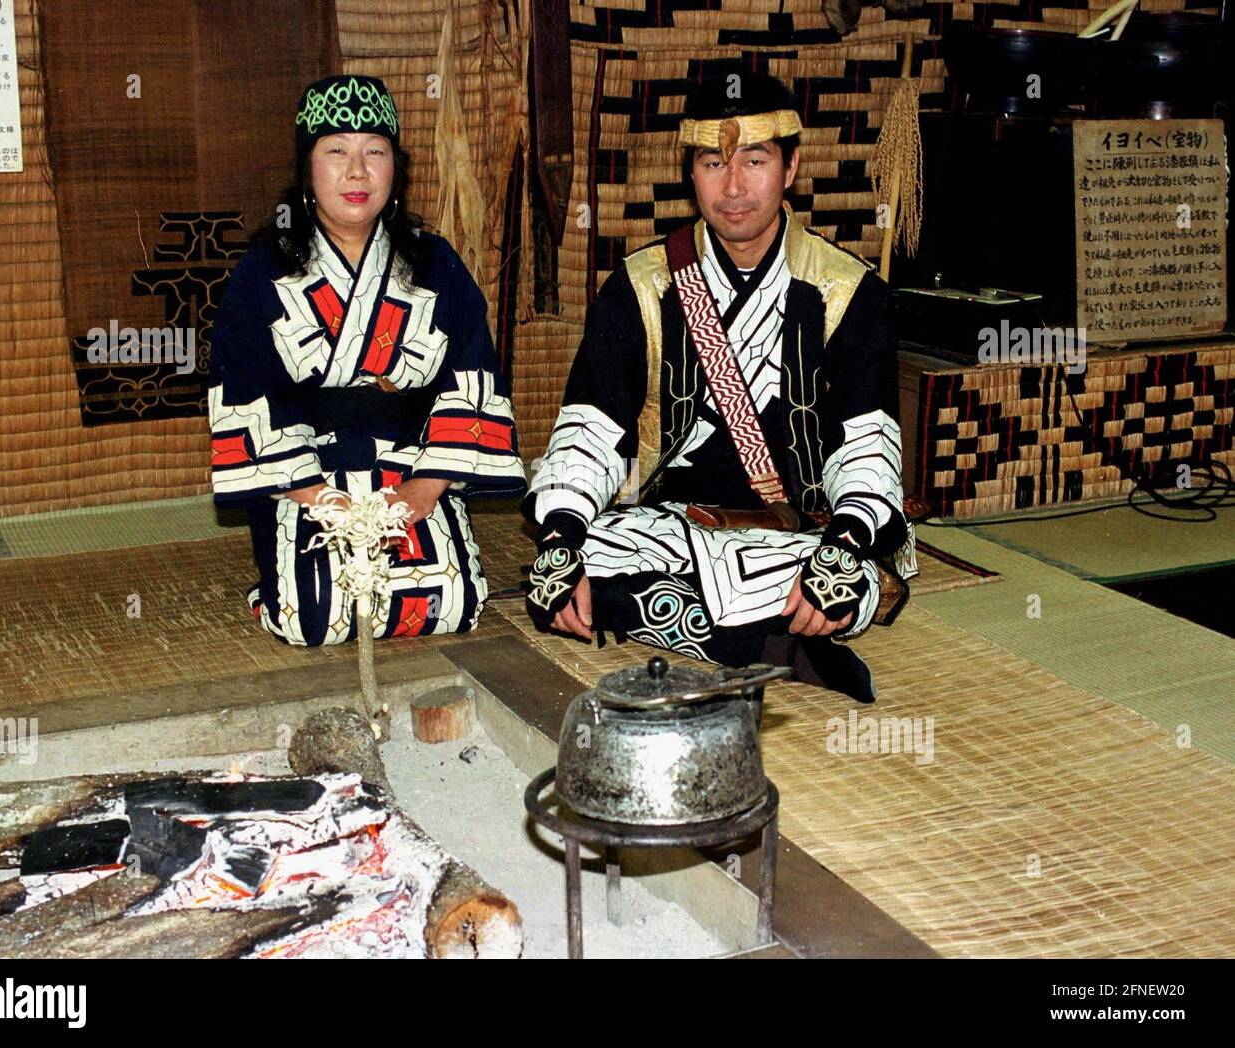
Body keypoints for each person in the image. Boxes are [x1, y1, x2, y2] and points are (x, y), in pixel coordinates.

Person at [523, 71, 915, 702]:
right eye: (713, 163)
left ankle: (704, 621)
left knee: (850, 581)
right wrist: (563, 535)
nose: (733, 188)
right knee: (574, 569)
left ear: (790, 168)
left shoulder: (850, 293)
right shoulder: (640, 286)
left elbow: (866, 444)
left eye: (754, 161)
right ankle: (769, 640)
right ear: (691, 172)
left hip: (805, 534)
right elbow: (592, 429)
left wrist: (844, 546)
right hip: (666, 526)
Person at [208, 74, 525, 646]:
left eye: (374, 152)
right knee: (316, 619)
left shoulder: (435, 262)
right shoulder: (264, 268)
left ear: (394, 169)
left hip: (410, 467)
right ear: (307, 169)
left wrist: (424, 490)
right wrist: (320, 499)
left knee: (451, 604)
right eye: (336, 152)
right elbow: (245, 392)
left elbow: (472, 375)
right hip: (306, 475)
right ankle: (277, 585)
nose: (357, 172)